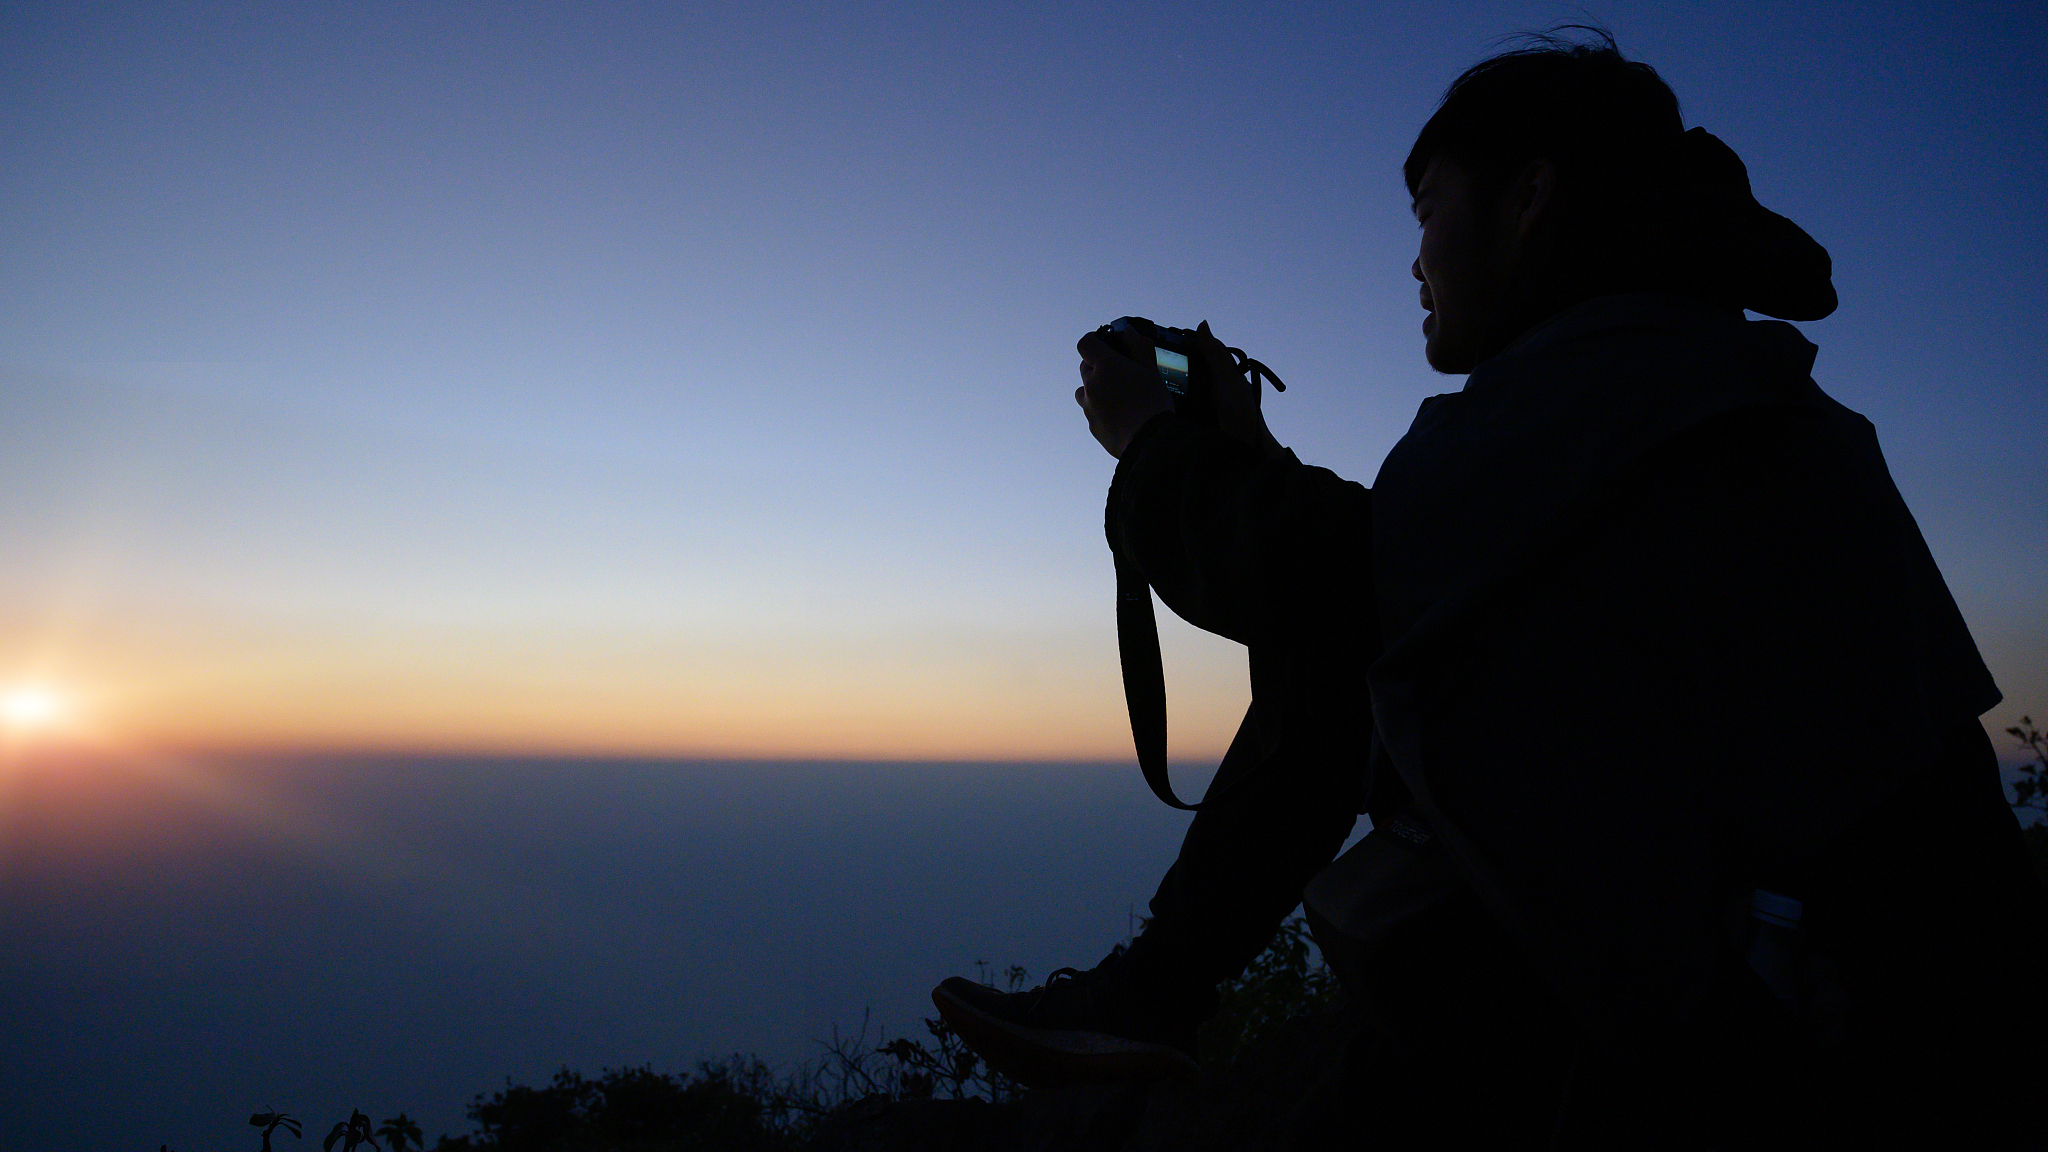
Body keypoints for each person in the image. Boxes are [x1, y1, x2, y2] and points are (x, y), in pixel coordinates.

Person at [933, 32, 2047, 1148]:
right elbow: (1409, 574)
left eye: (1427, 213)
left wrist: (1148, 439)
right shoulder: (1697, 385)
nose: (1415, 264)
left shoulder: (1612, 392)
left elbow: (1335, 571)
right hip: (1862, 991)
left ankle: (1156, 993)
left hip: (1748, 1046)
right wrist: (1246, 457)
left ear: (1527, 198)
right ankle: (1156, 992)